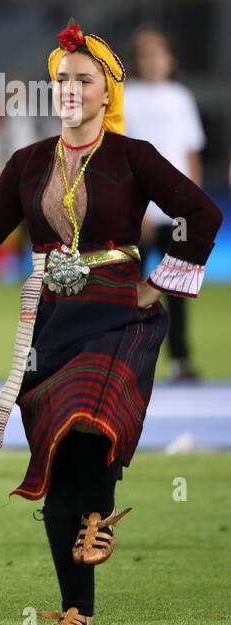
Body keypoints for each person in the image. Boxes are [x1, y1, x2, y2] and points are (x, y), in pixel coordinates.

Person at [0, 22, 221, 625]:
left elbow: (202, 212)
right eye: (62, 79)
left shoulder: (133, 156)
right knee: (59, 457)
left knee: (85, 418)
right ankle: (76, 609)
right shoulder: (26, 162)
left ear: (105, 92)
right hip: (50, 322)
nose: (69, 88)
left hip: (123, 315)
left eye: (83, 79)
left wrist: (160, 281)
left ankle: (101, 512)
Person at [124, 26, 206, 381]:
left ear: (170, 60)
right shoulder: (126, 97)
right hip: (141, 211)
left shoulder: (181, 98)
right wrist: (134, 206)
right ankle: (127, 360)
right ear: (138, 61)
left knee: (177, 287)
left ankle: (180, 359)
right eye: (146, 54)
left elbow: (190, 153)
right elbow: (122, 159)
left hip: (177, 212)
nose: (154, 61)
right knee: (131, 288)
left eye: (159, 54)